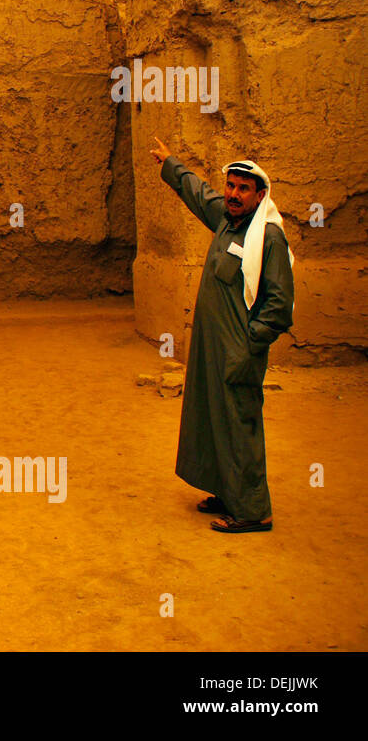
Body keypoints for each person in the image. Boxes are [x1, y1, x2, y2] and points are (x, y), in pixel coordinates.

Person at [149, 137, 295, 533]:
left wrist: (249, 345)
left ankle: (252, 510)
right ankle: (225, 490)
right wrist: (170, 164)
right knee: (211, 415)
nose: (232, 194)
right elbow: (198, 193)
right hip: (211, 348)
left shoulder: (267, 237)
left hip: (238, 351)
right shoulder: (227, 220)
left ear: (259, 195)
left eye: (242, 189)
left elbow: (280, 305)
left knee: (238, 423)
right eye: (230, 186)